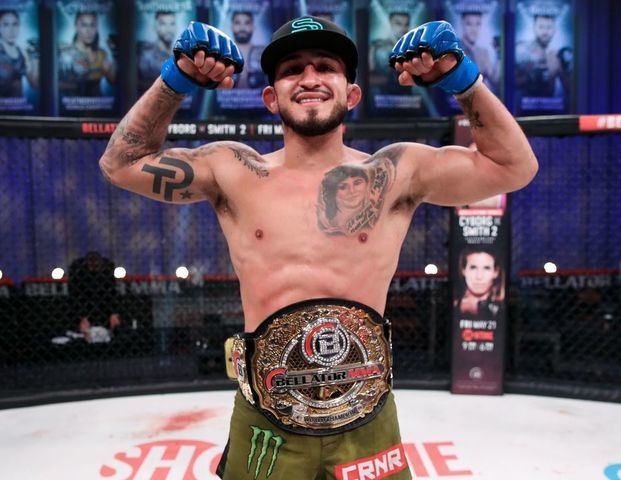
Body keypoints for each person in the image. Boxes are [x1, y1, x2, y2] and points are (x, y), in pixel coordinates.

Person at [99, 16, 537, 479]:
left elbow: (515, 167)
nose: (309, 78)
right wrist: (175, 80)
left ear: (352, 94)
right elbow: (120, 164)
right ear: (271, 98)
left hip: (366, 418)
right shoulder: (232, 170)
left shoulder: (393, 173)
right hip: (266, 421)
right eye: (292, 70)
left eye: (326, 67)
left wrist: (462, 80)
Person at [59, 11, 116, 96]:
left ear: (96, 28)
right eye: (84, 25)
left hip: (98, 102)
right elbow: (51, 83)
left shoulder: (101, 54)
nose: (88, 31)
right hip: (72, 102)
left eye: (92, 25)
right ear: (76, 27)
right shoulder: (65, 53)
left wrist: (114, 57)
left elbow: (113, 81)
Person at [515, 13, 568, 98]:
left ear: (554, 30)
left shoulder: (557, 55)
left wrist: (562, 69)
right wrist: (529, 77)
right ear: (534, 28)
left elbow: (570, 89)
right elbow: (507, 83)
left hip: (550, 104)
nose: (545, 32)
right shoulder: (521, 51)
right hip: (524, 103)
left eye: (549, 27)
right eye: (541, 27)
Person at [455, 248, 504, 318]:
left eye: (486, 268)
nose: (479, 276)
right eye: (473, 268)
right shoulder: (453, 306)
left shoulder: (502, 308)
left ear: (496, 272)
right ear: (463, 270)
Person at [458, 9, 499, 92]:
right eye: (469, 24)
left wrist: (499, 55)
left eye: (478, 24)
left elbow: (495, 80)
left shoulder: (484, 52)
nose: (474, 29)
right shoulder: (454, 49)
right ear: (462, 25)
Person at [0, 9, 38, 97]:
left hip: (19, 103)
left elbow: (34, 84)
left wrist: (34, 58)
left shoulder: (23, 53)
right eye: (6, 25)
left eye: (15, 24)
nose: (11, 30)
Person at [138, 11, 177, 94]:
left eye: (172, 24)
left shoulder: (179, 54)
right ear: (155, 27)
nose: (169, 29)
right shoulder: (145, 54)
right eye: (163, 24)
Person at [230, 11, 266, 89]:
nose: (242, 28)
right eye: (237, 23)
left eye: (247, 23)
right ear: (232, 26)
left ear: (253, 27)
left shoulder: (264, 53)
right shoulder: (223, 53)